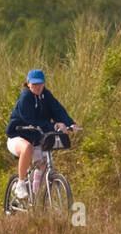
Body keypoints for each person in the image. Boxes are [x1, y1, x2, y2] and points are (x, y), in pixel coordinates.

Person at [5, 69, 77, 201]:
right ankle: (20, 184)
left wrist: (70, 123)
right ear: (28, 83)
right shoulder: (25, 97)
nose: (38, 87)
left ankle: (34, 197)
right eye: (35, 84)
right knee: (27, 148)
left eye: (41, 84)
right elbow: (30, 120)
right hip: (17, 136)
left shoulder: (46, 95)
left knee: (43, 165)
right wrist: (54, 126)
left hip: (36, 137)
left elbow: (57, 109)